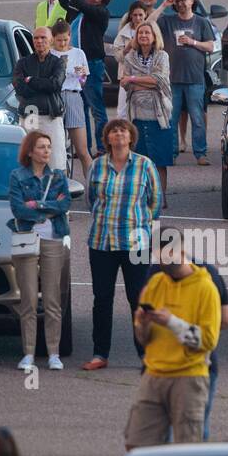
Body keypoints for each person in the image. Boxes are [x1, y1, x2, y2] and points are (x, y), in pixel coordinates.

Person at [126, 232, 222, 447]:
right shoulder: (155, 283)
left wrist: (172, 322)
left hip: (188, 378)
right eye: (158, 256)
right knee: (137, 443)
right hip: (153, 375)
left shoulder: (205, 288)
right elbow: (144, 340)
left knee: (187, 448)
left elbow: (208, 341)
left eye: (168, 255)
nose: (162, 262)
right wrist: (143, 324)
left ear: (181, 251)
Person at [83, 118, 161, 371]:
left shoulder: (144, 165)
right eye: (113, 131)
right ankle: (100, 354)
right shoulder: (97, 166)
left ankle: (146, 354)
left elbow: (155, 201)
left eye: (122, 131)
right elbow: (90, 199)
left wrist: (143, 223)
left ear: (130, 137)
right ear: (106, 139)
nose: (118, 134)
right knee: (102, 299)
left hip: (135, 242)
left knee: (138, 300)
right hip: (102, 242)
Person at [8, 131, 71, 372]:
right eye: (41, 147)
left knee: (53, 298)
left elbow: (64, 205)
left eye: (48, 147)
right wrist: (48, 208)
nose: (46, 151)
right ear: (30, 151)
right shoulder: (17, 175)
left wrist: (37, 205)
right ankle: (28, 353)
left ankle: (53, 353)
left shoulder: (57, 176)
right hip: (26, 238)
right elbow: (18, 209)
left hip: (53, 239)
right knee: (29, 299)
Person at [153, 0, 216, 165]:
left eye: (184, 0)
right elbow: (149, 23)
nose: (181, 3)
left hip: (195, 78)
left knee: (197, 118)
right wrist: (163, 5)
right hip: (172, 78)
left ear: (191, 1)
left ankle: (200, 153)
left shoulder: (201, 22)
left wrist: (192, 42)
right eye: (178, 0)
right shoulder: (168, 21)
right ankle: (171, 153)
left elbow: (210, 46)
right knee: (171, 119)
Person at [121, 21, 174, 206]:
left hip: (158, 116)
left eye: (147, 33)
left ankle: (161, 196)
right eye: (140, 33)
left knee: (160, 160)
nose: (143, 36)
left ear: (154, 36)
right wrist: (144, 82)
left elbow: (160, 80)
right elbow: (124, 83)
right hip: (137, 115)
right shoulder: (129, 58)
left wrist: (135, 79)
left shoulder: (162, 56)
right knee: (139, 159)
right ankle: (143, 195)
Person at [58, 0, 112, 151]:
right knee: (81, 108)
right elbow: (65, 2)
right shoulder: (81, 11)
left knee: (96, 106)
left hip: (91, 65)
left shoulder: (100, 12)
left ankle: (103, 147)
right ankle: (84, 147)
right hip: (76, 64)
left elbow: (81, 3)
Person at [12, 25, 67, 173]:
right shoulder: (23, 63)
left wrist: (32, 80)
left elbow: (56, 84)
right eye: (36, 38)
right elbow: (20, 87)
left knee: (55, 159)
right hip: (30, 115)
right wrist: (44, 84)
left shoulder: (58, 62)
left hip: (50, 116)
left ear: (50, 40)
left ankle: (56, 191)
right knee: (28, 158)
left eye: (43, 37)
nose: (39, 41)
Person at [51, 18, 92, 181]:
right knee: (58, 147)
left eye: (65, 39)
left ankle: (92, 186)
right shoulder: (51, 53)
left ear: (70, 37)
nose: (62, 43)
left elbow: (83, 82)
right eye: (59, 40)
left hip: (73, 95)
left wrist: (82, 75)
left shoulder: (78, 53)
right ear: (53, 38)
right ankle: (61, 185)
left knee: (82, 150)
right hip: (55, 96)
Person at [114, 0, 152, 119]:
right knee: (122, 111)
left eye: (140, 15)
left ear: (145, 14)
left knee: (144, 110)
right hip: (126, 75)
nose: (138, 18)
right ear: (130, 15)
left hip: (145, 75)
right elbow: (118, 56)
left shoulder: (150, 31)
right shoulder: (123, 33)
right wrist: (127, 48)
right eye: (135, 15)